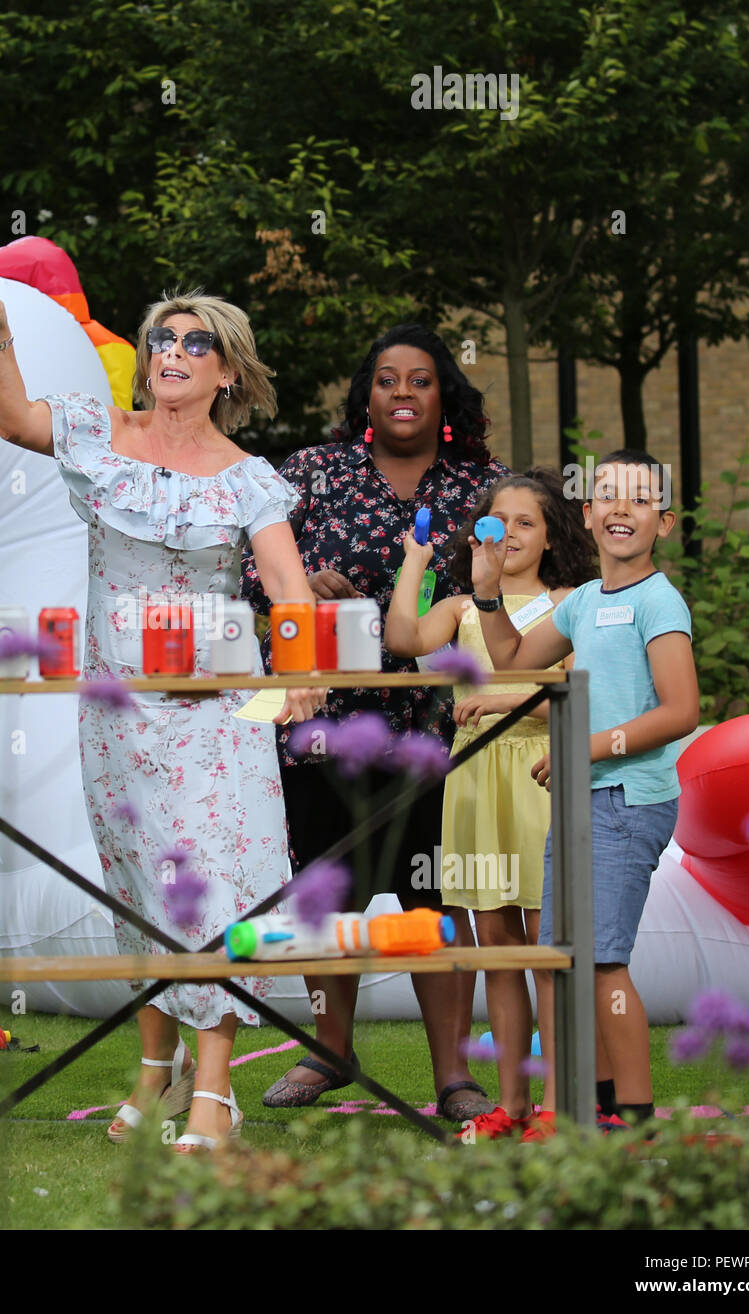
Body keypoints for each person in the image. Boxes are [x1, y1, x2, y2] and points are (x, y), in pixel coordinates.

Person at [0, 280, 325, 1152]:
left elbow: (286, 586)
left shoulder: (248, 482)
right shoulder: (102, 434)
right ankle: (154, 1077)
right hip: (116, 712)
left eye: (195, 344)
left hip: (211, 714)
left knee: (208, 892)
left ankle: (214, 1097)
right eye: (162, 338)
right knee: (138, 893)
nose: (171, 352)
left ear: (228, 373)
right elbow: (15, 419)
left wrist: (302, 673)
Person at [241, 323, 509, 1122]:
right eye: (387, 379)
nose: (401, 393)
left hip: (442, 723)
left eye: (419, 380)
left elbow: (517, 575)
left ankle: (454, 1075)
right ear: (366, 395)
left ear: (443, 397)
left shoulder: (480, 486)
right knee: (330, 890)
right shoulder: (313, 474)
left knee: (436, 897)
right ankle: (330, 1052)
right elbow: (252, 559)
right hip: (323, 713)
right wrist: (292, 583)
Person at [470, 450, 699, 1137]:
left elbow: (680, 711)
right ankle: (592, 1112)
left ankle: (635, 1122)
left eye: (639, 498)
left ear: (664, 521)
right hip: (580, 803)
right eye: (609, 496)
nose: (621, 508)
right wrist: (485, 595)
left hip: (627, 801)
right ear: (589, 514)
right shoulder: (587, 603)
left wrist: (582, 749)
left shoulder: (658, 602)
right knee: (570, 961)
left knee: (601, 962)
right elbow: (510, 659)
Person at [386, 469, 595, 1134]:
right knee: (495, 943)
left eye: (525, 522)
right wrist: (414, 564)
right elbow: (402, 640)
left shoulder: (569, 601)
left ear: (552, 538)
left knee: (544, 940)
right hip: (473, 781)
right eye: (496, 520)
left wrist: (506, 701)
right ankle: (514, 1103)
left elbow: (570, 684)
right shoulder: (460, 606)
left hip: (536, 776)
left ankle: (562, 1103)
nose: (507, 533)